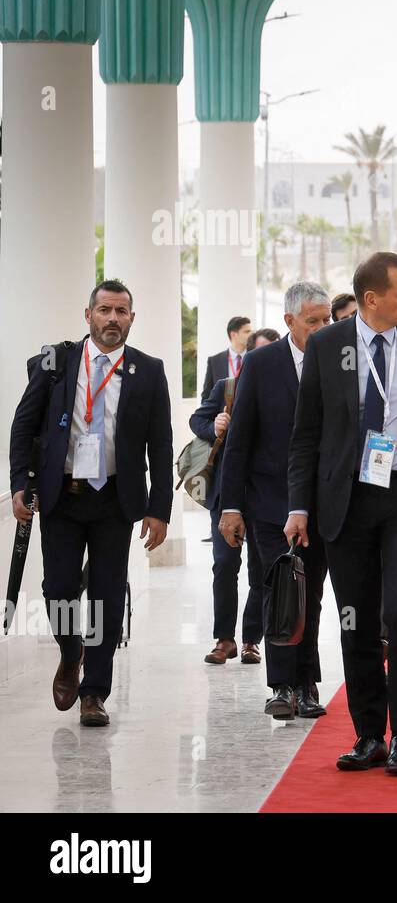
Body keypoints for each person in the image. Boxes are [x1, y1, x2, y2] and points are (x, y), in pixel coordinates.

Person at [286, 252, 397, 777]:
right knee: (355, 620)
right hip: (347, 502)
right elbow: (306, 435)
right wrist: (299, 505)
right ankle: (369, 735)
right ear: (371, 300)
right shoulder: (326, 346)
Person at [9, 279, 172, 727]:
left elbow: (160, 444)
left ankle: (95, 692)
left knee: (105, 596)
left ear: (132, 319)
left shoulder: (149, 370)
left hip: (114, 500)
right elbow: (23, 427)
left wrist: (159, 509)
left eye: (121, 312)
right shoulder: (55, 361)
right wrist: (20, 485)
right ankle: (71, 650)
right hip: (63, 497)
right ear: (88, 315)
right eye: (104, 310)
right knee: (57, 589)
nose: (112, 319)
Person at [219, 285, 333, 721]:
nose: (322, 329)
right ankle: (282, 685)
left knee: (313, 594)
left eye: (327, 320)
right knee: (280, 589)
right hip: (269, 502)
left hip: (323, 502)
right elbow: (240, 439)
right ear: (289, 322)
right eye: (313, 321)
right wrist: (231, 505)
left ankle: (307, 684)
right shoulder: (260, 364)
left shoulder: (340, 359)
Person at [191, 327, 279, 667]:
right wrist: (215, 424)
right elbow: (197, 419)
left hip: (264, 495)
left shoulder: (287, 390)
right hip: (227, 492)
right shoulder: (227, 386)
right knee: (225, 565)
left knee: (261, 571)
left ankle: (250, 640)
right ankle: (224, 638)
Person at [201, 315, 252, 401]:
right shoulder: (214, 361)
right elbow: (207, 395)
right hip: (223, 412)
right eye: (247, 332)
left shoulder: (254, 358)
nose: (251, 335)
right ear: (233, 335)